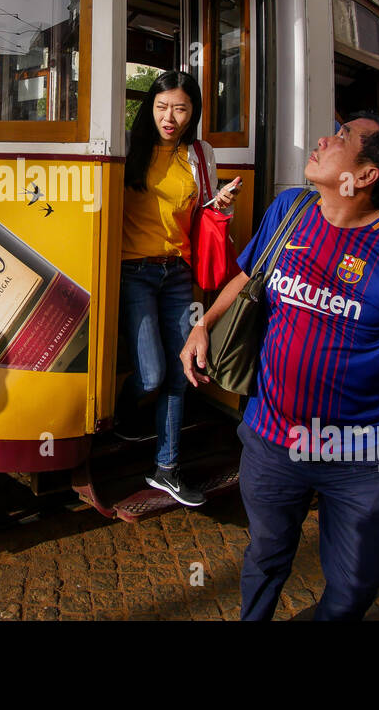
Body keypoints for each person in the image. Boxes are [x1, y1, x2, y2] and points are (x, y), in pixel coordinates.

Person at [182, 113, 379, 621]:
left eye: (343, 137)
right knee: (265, 558)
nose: (323, 140)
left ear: (367, 175)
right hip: (269, 439)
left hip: (356, 452)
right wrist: (203, 325)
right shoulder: (289, 210)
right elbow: (247, 275)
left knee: (359, 581)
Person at [116, 71, 237, 505]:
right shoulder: (128, 147)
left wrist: (216, 203)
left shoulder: (200, 154)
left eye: (181, 108)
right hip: (134, 271)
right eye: (163, 106)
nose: (171, 117)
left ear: (192, 113)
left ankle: (166, 468)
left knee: (182, 367)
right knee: (150, 373)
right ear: (150, 107)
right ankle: (124, 417)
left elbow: (198, 209)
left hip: (179, 272)